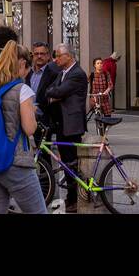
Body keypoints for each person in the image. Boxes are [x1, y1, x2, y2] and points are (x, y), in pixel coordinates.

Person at [0, 43, 47, 215]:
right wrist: (31, 111)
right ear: (23, 64)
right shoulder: (22, 90)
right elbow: (29, 128)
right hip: (15, 161)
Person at [41, 44, 88, 213]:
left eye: (59, 56)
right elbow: (49, 90)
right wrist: (53, 94)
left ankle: (74, 198)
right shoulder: (62, 73)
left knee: (71, 164)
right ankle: (72, 198)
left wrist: (55, 95)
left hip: (72, 125)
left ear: (68, 56)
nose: (56, 59)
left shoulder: (77, 74)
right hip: (61, 124)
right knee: (67, 164)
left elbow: (59, 92)